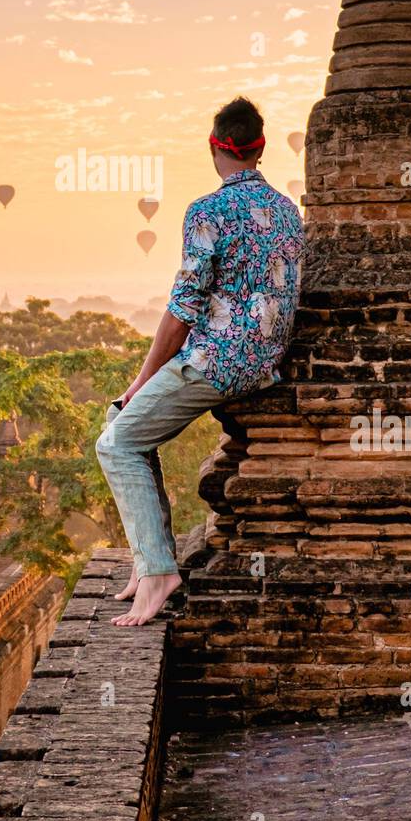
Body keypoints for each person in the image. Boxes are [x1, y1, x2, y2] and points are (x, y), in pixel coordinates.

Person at [96, 96, 304, 627]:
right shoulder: (287, 210)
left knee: (116, 441)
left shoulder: (206, 211)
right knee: (126, 425)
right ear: (259, 149)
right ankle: (147, 565)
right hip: (266, 360)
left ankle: (160, 572)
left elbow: (183, 307)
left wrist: (140, 380)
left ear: (216, 147)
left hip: (219, 360)